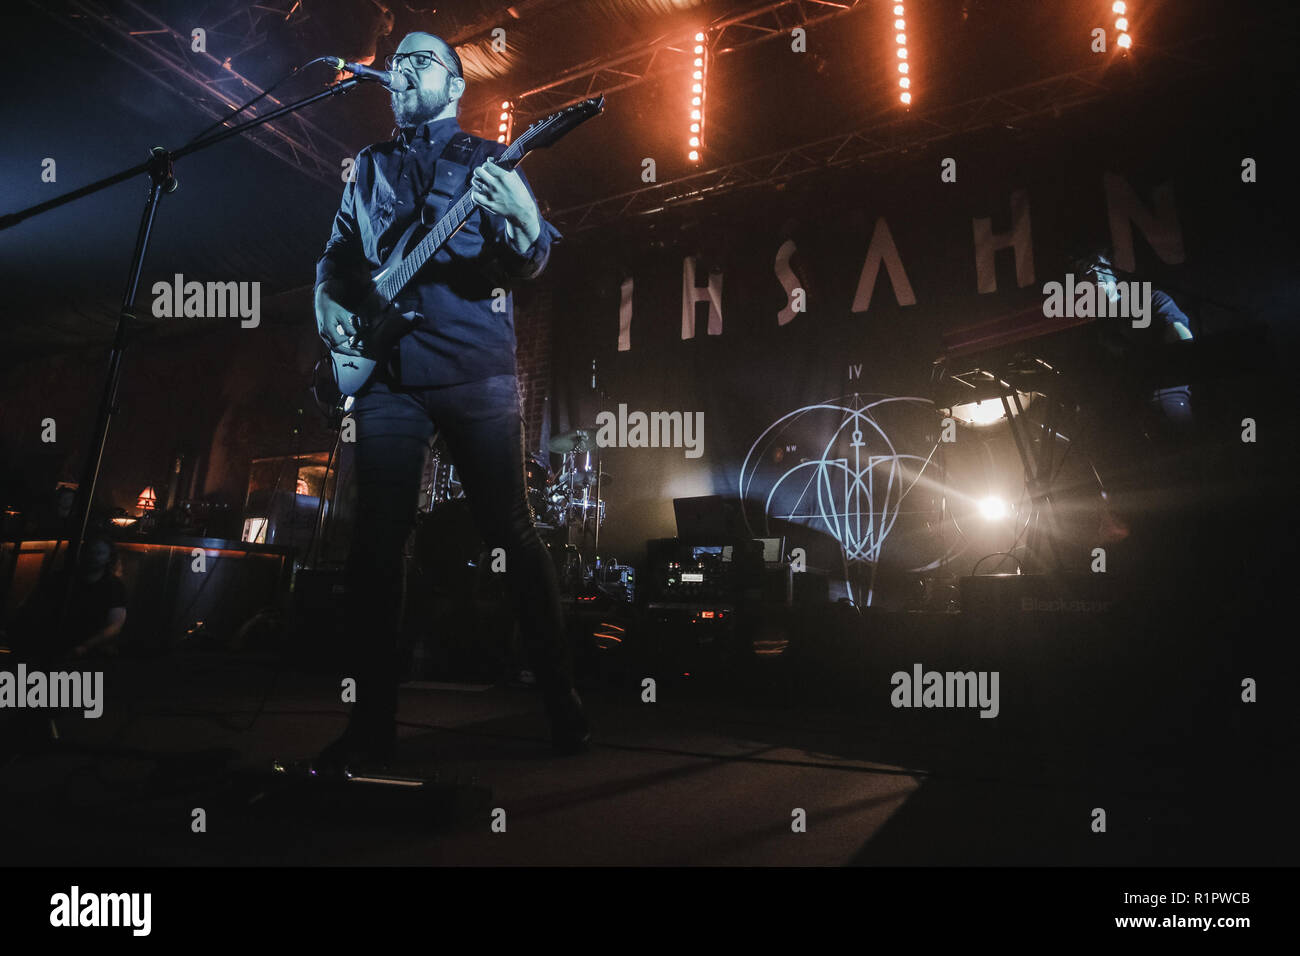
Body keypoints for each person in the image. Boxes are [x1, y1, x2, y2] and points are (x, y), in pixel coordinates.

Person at [313, 31, 588, 771]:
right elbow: (338, 253)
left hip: (475, 368)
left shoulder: (482, 161)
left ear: (457, 87)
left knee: (514, 534)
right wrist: (325, 301)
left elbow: (530, 256)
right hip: (387, 374)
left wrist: (527, 222)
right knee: (376, 544)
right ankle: (371, 725)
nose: (402, 72)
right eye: (396, 63)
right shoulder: (367, 167)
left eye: (420, 62)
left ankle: (562, 703)